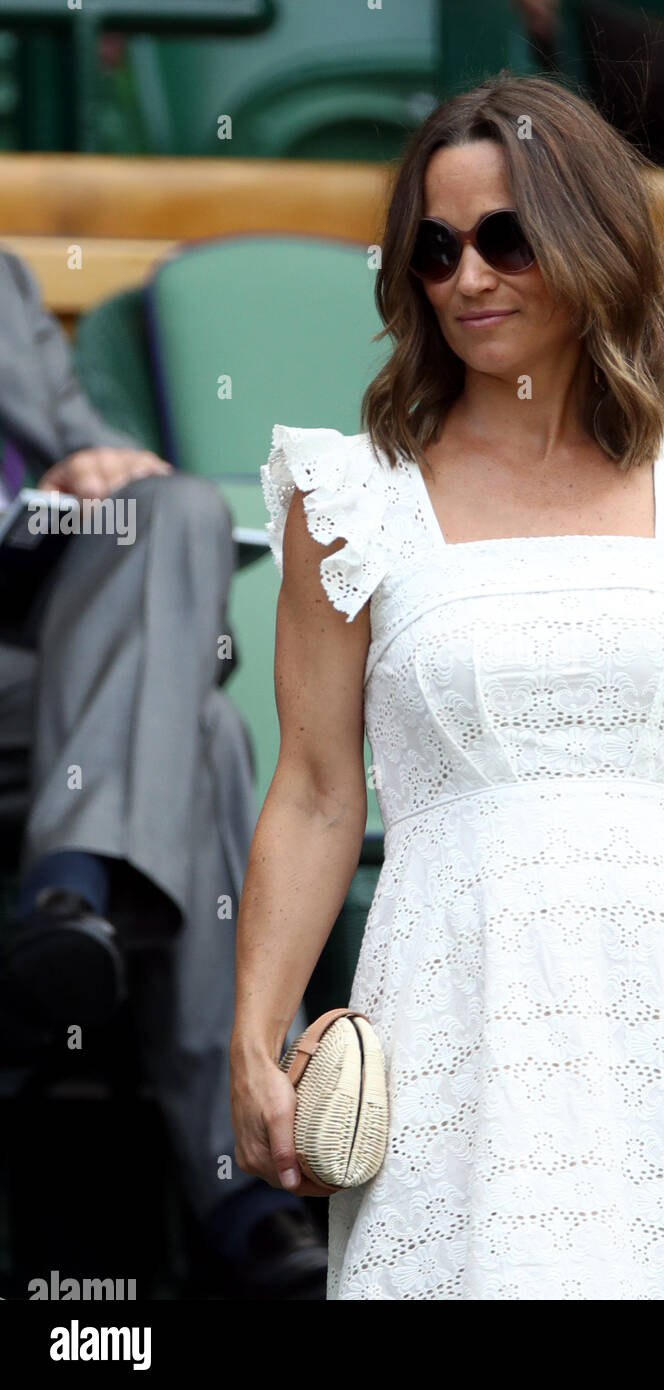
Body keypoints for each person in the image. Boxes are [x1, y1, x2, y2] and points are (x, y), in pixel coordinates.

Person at [232, 70, 664, 1299]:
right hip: (457, 1020)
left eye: (506, 239)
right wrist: (254, 1036)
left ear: (589, 240)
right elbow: (311, 794)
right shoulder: (347, 501)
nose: (467, 277)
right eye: (434, 247)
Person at [0, 248, 327, 1298]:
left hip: (60, 666)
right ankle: (252, 1186)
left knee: (173, 508)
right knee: (202, 740)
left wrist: (99, 469)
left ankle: (72, 904)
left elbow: (92, 445)